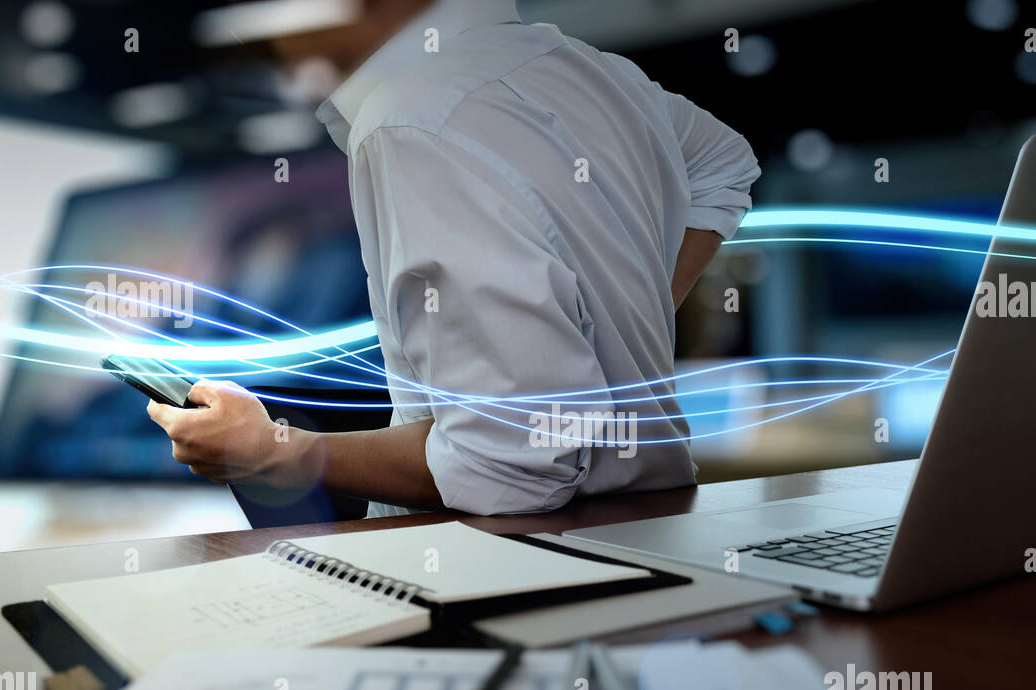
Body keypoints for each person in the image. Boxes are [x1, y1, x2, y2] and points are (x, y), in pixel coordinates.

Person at [148, 0, 760, 518]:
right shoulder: (589, 73)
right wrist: (631, 319)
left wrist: (271, 451)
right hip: (649, 522)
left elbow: (508, 468)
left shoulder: (412, 120)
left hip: (522, 561)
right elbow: (723, 164)